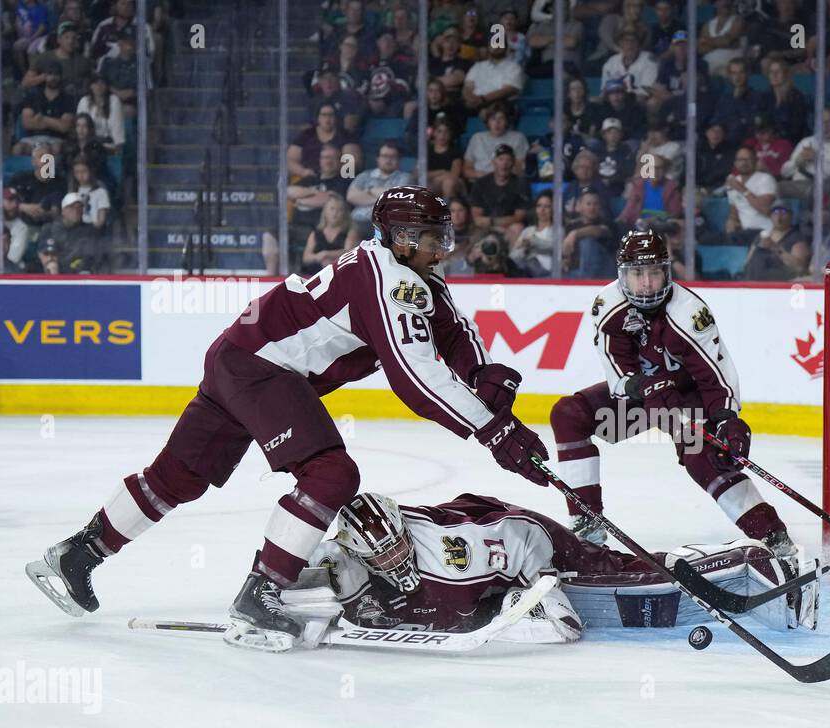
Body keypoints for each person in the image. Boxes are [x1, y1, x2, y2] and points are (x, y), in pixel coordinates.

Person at [27, 188, 549, 648]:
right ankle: (263, 593)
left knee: (178, 476)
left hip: (240, 356)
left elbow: (454, 335)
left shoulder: (415, 280)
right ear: (396, 238)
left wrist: (485, 380)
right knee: (332, 474)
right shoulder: (389, 282)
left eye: (443, 236)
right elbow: (415, 379)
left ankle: (77, 555)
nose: (439, 248)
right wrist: (496, 430)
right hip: (262, 368)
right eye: (426, 237)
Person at [289, 490, 817, 645]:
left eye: (398, 548)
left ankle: (751, 559)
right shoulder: (343, 562)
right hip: (484, 527)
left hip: (528, 540)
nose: (394, 561)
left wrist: (537, 594)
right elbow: (295, 572)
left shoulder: (456, 553)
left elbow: (519, 545)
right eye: (380, 556)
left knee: (631, 581)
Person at [549, 230, 796, 556]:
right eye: (638, 274)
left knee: (706, 458)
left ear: (667, 271)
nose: (647, 283)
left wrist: (725, 419)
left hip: (686, 399)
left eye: (654, 273)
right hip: (639, 397)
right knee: (568, 414)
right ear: (623, 275)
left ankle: (774, 537)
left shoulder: (689, 313)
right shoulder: (607, 306)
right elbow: (618, 374)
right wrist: (645, 388)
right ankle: (587, 526)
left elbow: (713, 373)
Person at [723, 145, 777, 244]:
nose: (744, 163)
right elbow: (734, 212)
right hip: (745, 233)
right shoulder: (734, 181)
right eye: (740, 160)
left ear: (756, 161)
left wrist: (742, 189)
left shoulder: (765, 179)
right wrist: (732, 221)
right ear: (735, 163)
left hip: (765, 232)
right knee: (709, 240)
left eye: (748, 159)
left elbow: (765, 210)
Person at [36, 192, 101, 273]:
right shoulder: (48, 229)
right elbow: (40, 256)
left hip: (79, 275)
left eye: (79, 207)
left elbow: (91, 258)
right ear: (63, 211)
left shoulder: (89, 231)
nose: (76, 211)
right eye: (72, 207)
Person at [742, 202, 810, 280]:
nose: (779, 216)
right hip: (755, 282)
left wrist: (775, 248)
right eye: (776, 212)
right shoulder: (761, 237)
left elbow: (799, 268)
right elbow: (747, 264)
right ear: (770, 216)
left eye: (783, 212)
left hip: (779, 282)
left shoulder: (797, 238)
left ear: (791, 216)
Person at [301, 193, 359, 276]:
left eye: (339, 210)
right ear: (325, 211)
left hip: (340, 271)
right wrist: (319, 257)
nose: (335, 213)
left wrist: (327, 254)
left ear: (345, 213)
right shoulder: (316, 233)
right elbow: (306, 258)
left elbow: (349, 253)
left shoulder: (350, 231)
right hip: (315, 273)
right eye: (332, 209)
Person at [509, 189, 556, 277]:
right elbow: (513, 257)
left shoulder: (557, 230)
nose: (542, 210)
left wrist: (532, 243)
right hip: (528, 271)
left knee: (530, 262)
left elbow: (555, 247)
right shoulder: (528, 231)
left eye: (547, 206)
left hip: (547, 273)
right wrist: (524, 250)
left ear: (553, 209)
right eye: (539, 206)